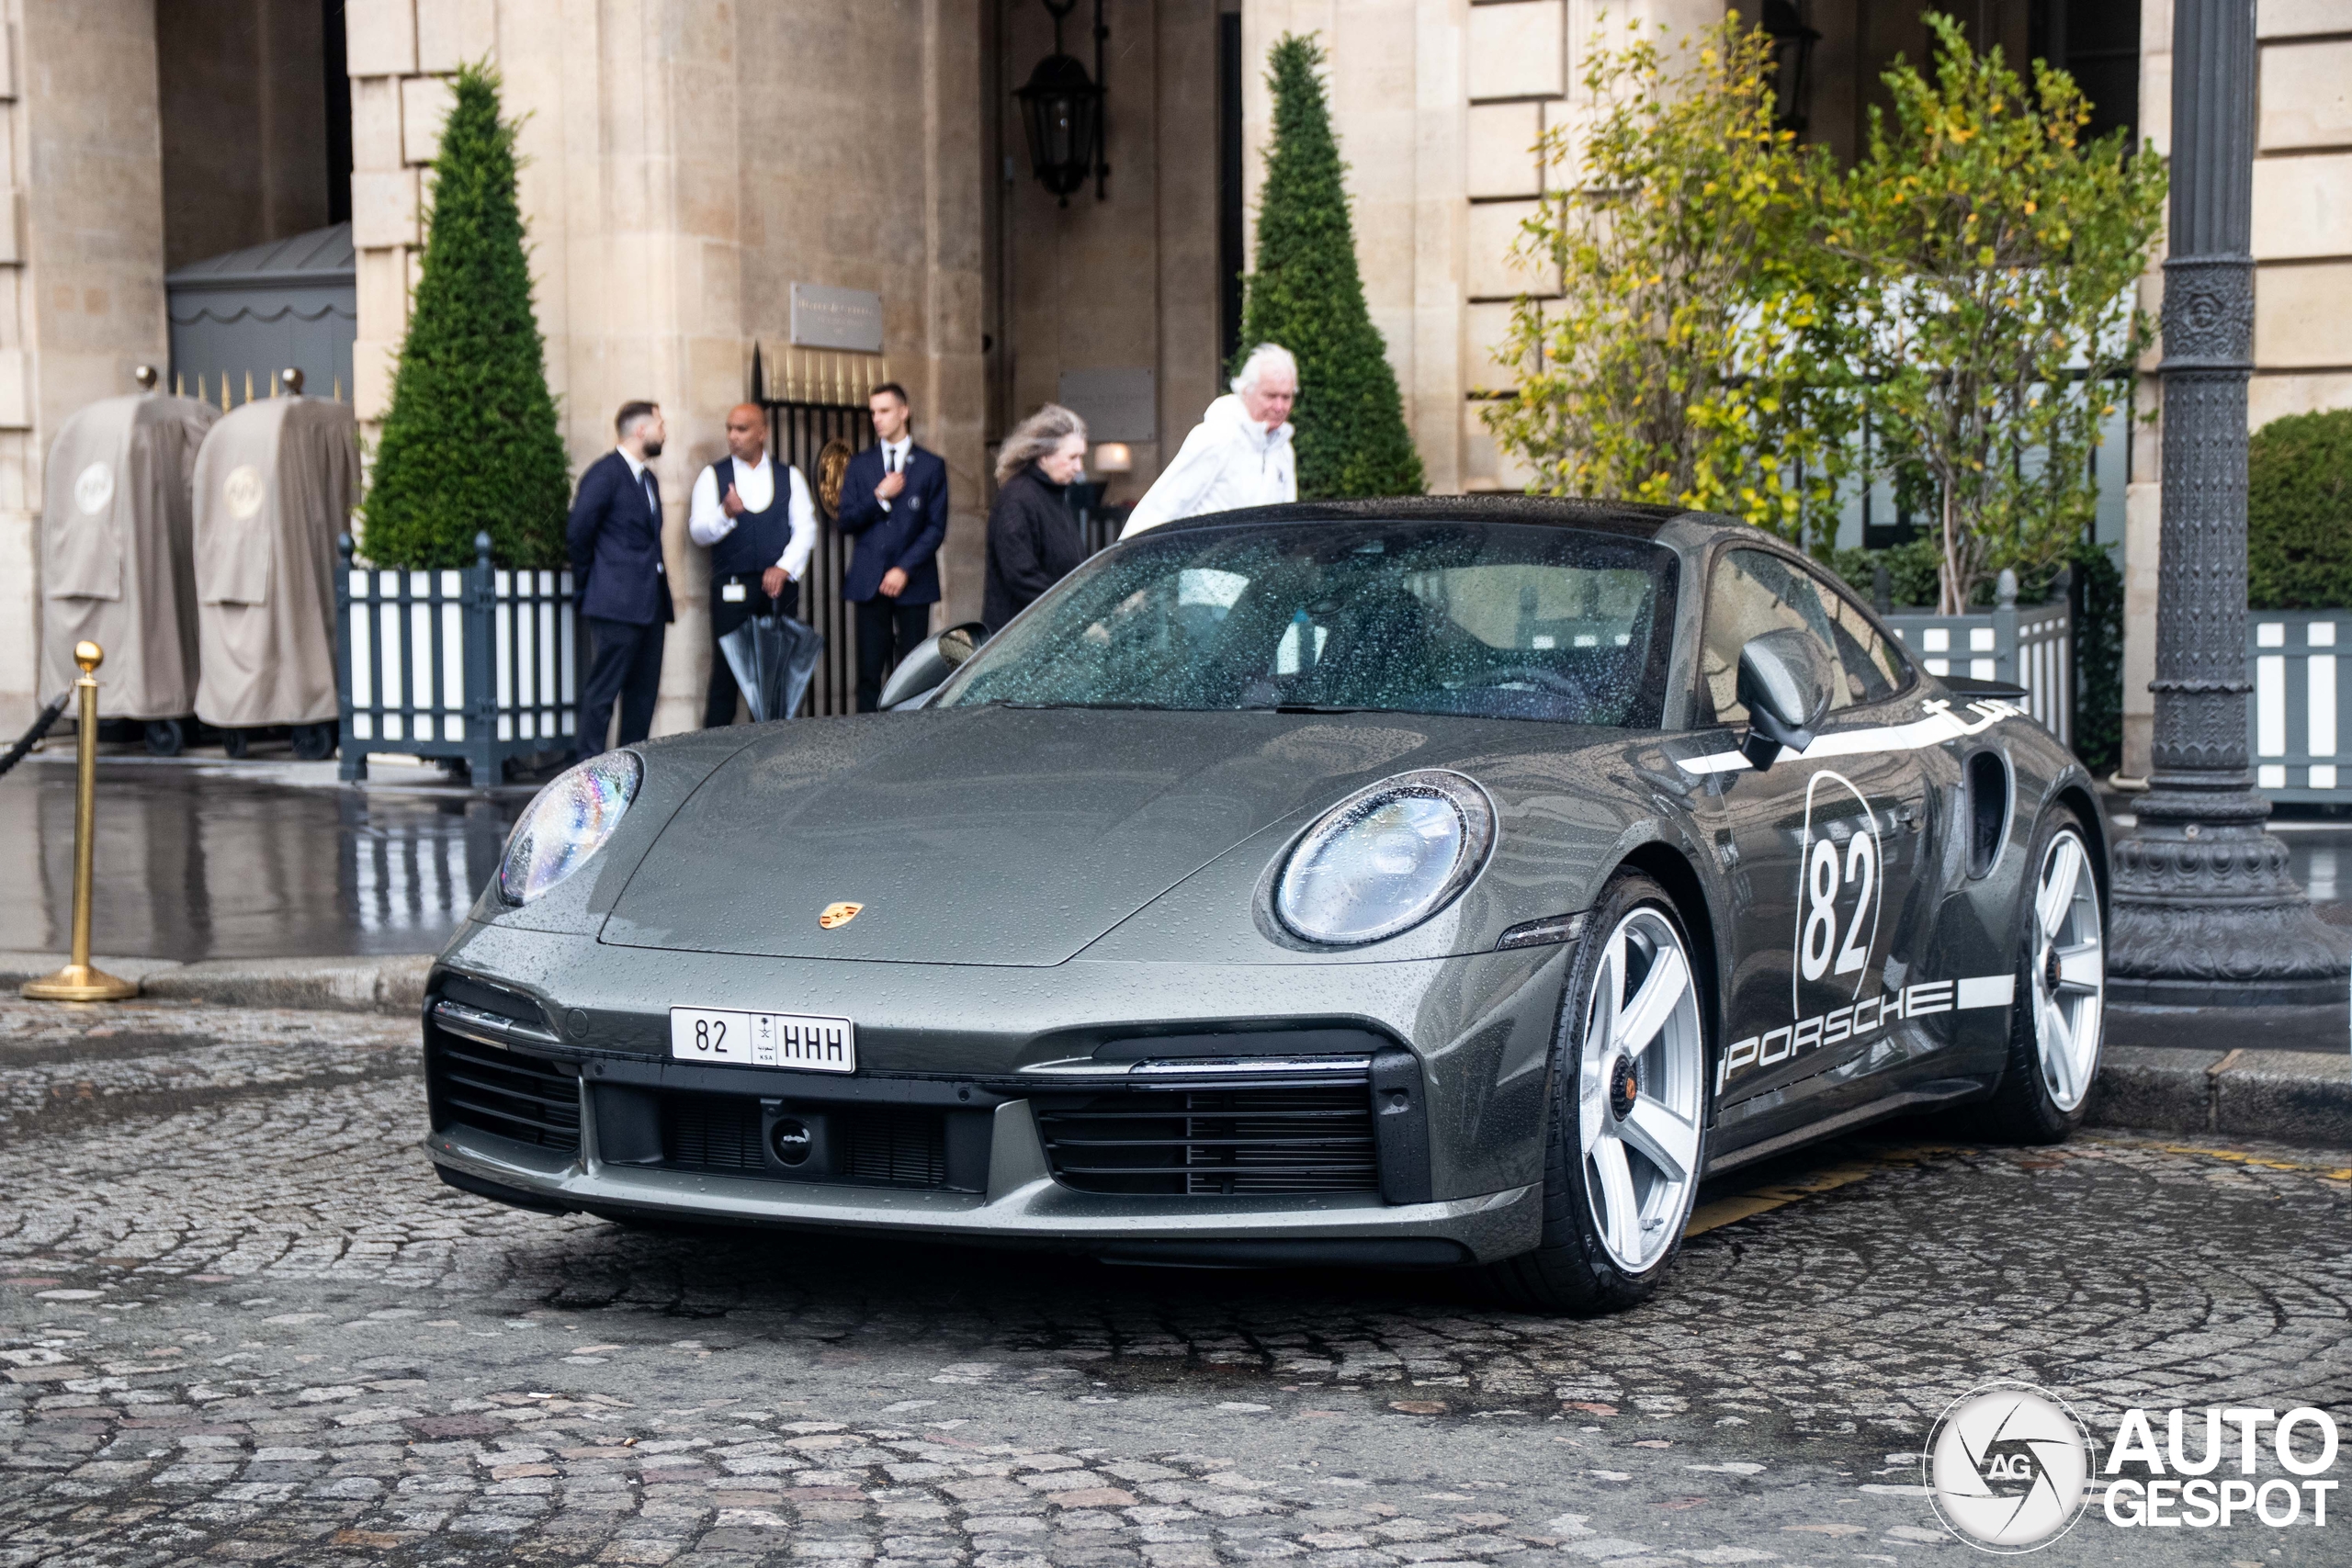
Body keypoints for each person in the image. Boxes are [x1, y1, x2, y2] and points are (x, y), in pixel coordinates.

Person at [688, 402, 817, 726]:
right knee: (726, 673)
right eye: (730, 428)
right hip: (731, 589)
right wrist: (725, 513)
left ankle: (778, 745)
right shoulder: (713, 476)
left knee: (779, 675)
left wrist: (784, 567)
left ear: (762, 433)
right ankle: (715, 748)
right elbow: (698, 532)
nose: (733, 436)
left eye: (742, 429)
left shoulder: (790, 477)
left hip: (778, 589)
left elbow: (806, 528)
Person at [568, 400, 673, 761]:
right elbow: (578, 534)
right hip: (615, 604)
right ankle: (588, 774)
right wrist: (594, 583)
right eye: (660, 425)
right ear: (640, 430)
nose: (665, 432)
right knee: (603, 694)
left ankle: (631, 771)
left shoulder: (649, 479)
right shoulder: (604, 474)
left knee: (643, 698)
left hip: (651, 604)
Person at [835, 382, 949, 711]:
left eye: (884, 411)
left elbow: (935, 528)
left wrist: (903, 569)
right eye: (873, 412)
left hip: (914, 582)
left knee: (914, 674)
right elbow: (846, 520)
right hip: (869, 582)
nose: (877, 418)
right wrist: (880, 495)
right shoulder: (860, 465)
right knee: (869, 674)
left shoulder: (930, 465)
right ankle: (867, 737)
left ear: (904, 412)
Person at [1120, 343, 1297, 537]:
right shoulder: (1217, 436)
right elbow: (1164, 505)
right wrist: (1125, 553)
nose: (1279, 407)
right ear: (1246, 391)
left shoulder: (1283, 449)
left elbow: (1286, 523)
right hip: (1204, 555)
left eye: (1286, 397)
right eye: (1271, 396)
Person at [983, 404, 1090, 634]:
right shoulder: (1018, 498)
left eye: (1081, 457)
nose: (1079, 467)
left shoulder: (1053, 494)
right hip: (1020, 636)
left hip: (1051, 629)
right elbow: (1022, 576)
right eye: (1072, 457)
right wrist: (1074, 615)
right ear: (1044, 456)